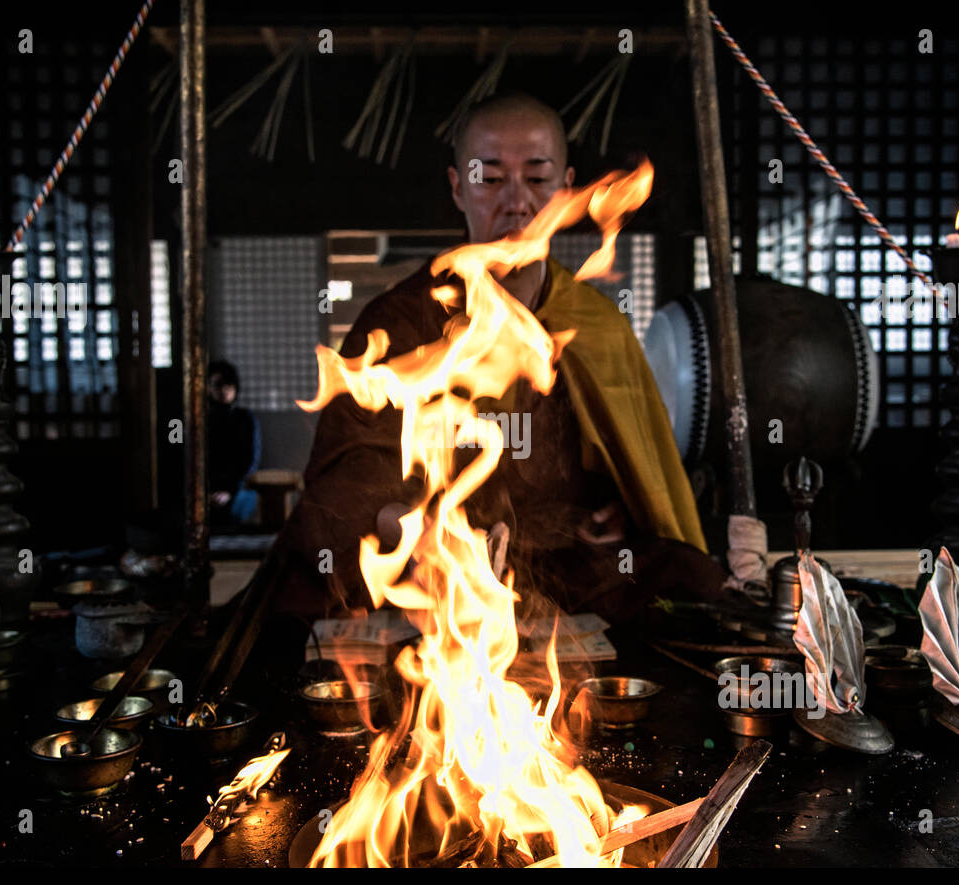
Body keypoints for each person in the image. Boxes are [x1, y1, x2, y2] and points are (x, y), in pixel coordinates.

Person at [239, 92, 726, 651]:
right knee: (287, 600)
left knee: (688, 580)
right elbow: (341, 479)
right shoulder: (400, 322)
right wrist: (411, 526)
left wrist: (613, 508)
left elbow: (637, 468)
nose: (517, 203)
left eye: (537, 179)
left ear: (566, 187)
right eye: (490, 179)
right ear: (457, 187)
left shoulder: (594, 325)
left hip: (557, 567)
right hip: (423, 567)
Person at [207, 360, 262, 525]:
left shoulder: (245, 418)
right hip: (206, 489)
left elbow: (251, 460)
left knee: (240, 506)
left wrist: (230, 491)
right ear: (208, 387)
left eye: (228, 384)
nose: (223, 390)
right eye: (218, 385)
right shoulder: (201, 421)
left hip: (239, 488)